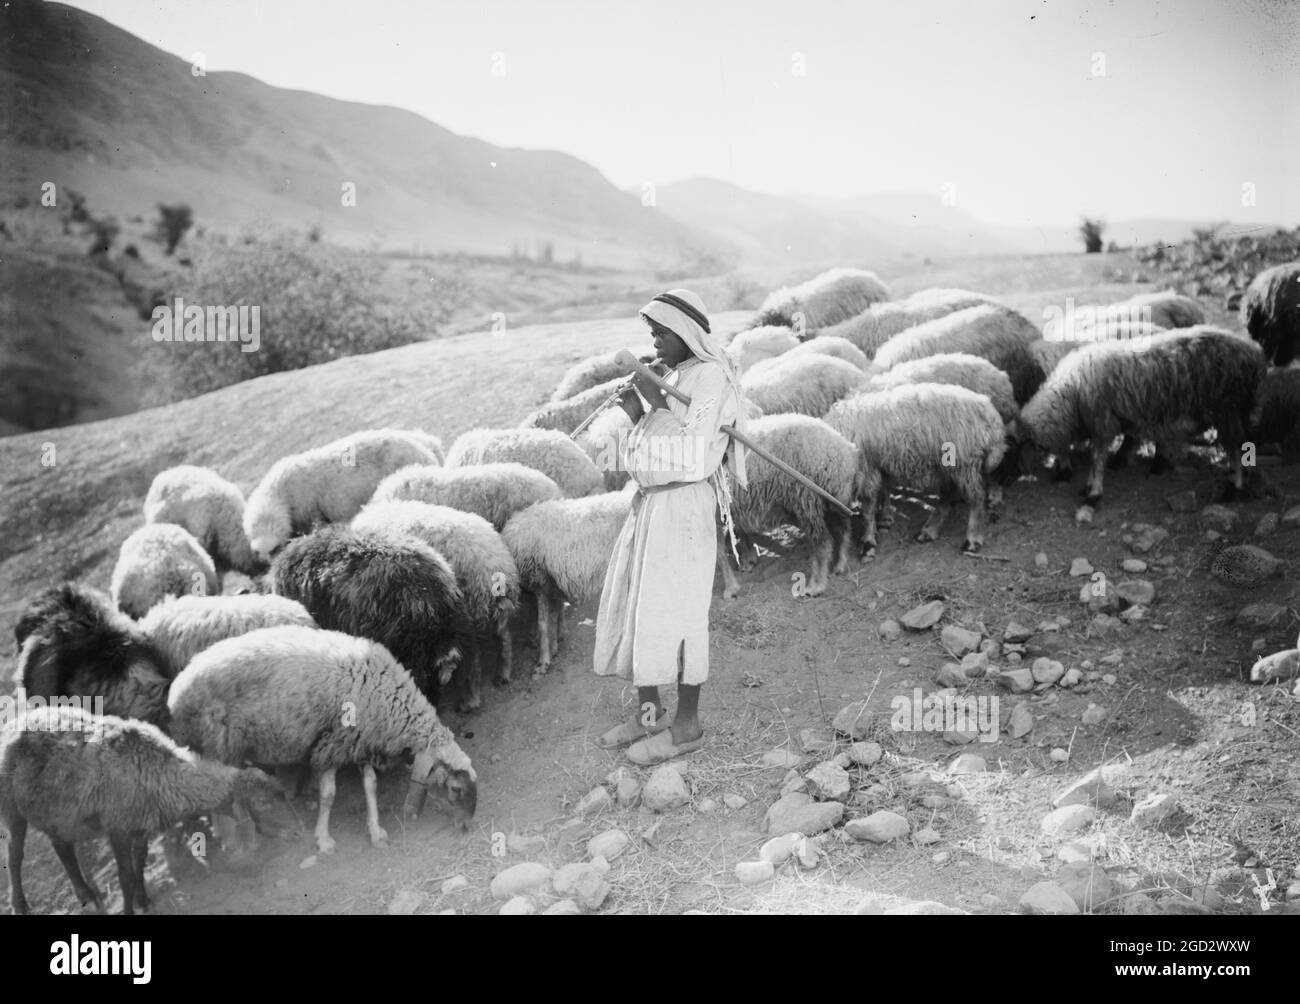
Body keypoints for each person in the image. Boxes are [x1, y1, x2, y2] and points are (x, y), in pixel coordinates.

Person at [592, 288, 747, 764]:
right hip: (652, 505)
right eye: (652, 333)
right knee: (645, 608)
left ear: (685, 333)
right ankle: (649, 715)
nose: (655, 341)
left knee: (677, 611)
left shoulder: (712, 378)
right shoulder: (677, 374)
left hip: (682, 509)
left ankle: (686, 727)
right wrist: (639, 408)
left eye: (661, 333)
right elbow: (637, 446)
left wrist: (655, 403)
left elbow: (692, 452)